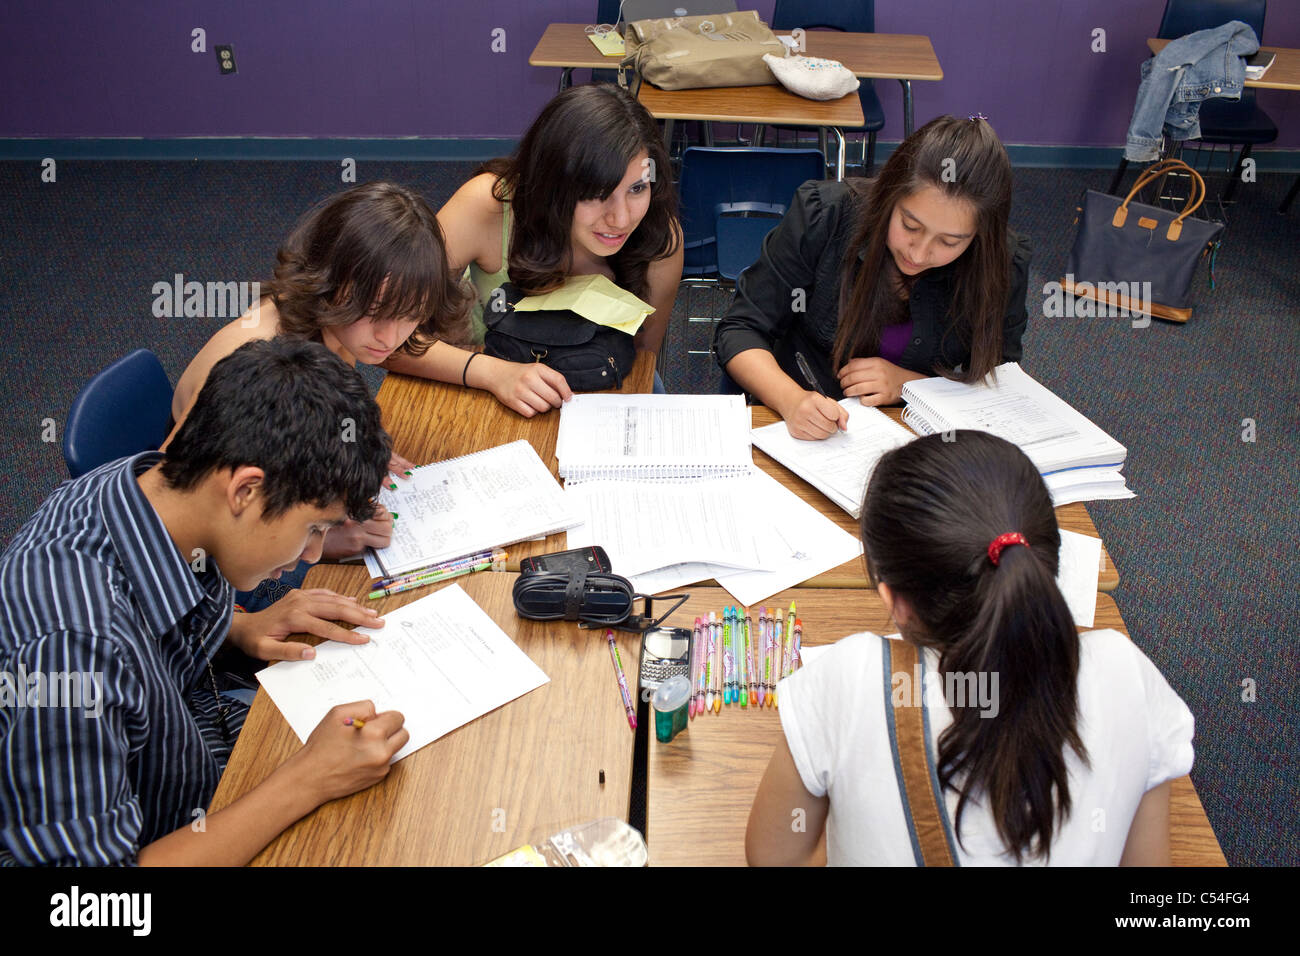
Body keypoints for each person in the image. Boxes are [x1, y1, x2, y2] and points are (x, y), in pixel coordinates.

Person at [0, 339, 409, 866]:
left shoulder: (152, 486)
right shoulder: (74, 650)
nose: (312, 552)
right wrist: (307, 780)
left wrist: (239, 628)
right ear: (244, 491)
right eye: (312, 528)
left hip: (194, 734)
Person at [746, 431, 1194, 866]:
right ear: (1046, 563)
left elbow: (775, 857)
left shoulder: (850, 678)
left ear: (894, 602)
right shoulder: (1126, 671)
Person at [169, 180, 473, 565]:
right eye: (375, 312)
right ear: (330, 278)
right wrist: (319, 542)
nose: (390, 337)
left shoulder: (335, 329)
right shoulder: (258, 361)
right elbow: (181, 521)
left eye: (411, 314)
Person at [714, 115, 1033, 440]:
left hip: (919, 435)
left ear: (980, 235)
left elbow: (1000, 383)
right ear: (890, 196)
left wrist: (908, 385)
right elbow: (741, 327)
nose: (919, 254)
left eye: (949, 242)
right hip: (811, 425)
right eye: (910, 226)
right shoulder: (826, 215)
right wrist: (790, 399)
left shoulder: (1003, 265)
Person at [406, 82, 683, 414]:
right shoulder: (489, 205)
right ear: (554, 183)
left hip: (598, 399)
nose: (621, 219)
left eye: (637, 188)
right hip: (484, 383)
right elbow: (380, 332)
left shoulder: (659, 238)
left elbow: (640, 364)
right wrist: (493, 373)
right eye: (595, 193)